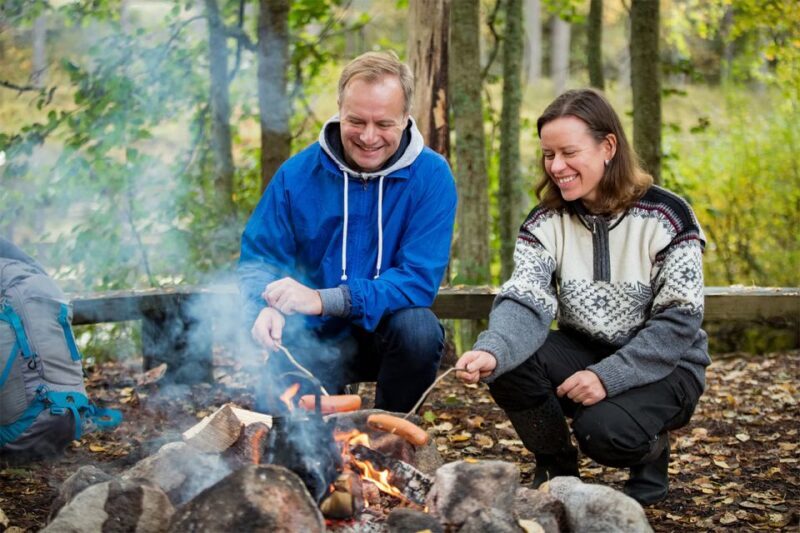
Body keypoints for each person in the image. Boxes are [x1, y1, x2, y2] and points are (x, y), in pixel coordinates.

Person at [455, 89, 710, 505]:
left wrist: (606, 378)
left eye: (568, 152)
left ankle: (650, 450)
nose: (556, 167)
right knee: (510, 364)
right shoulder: (545, 222)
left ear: (608, 146)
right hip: (583, 348)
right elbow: (525, 298)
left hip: (668, 364)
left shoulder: (668, 215)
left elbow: (678, 322)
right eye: (548, 155)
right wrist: (494, 349)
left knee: (602, 430)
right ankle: (557, 466)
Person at [238, 51, 457, 413]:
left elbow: (417, 280)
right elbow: (259, 259)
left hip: (388, 337)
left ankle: (392, 437)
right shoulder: (298, 175)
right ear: (340, 108)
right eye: (356, 121)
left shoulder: (431, 176)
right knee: (287, 440)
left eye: (384, 124)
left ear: (406, 118)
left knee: (420, 329)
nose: (369, 137)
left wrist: (326, 299)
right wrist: (264, 306)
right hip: (308, 337)